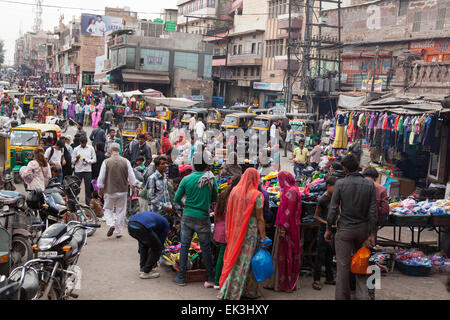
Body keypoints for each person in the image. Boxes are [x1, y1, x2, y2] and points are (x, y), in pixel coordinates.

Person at [325, 154, 377, 300]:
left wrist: (328, 229)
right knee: (362, 264)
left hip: (345, 230)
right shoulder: (369, 185)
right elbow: (373, 211)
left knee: (342, 268)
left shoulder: (340, 184)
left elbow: (333, 209)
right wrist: (372, 234)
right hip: (363, 229)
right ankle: (363, 297)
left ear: (345, 169)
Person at [218, 168, 268, 300]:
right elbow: (260, 218)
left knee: (237, 260)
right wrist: (263, 237)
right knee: (246, 262)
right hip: (250, 233)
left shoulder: (234, 191)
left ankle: (244, 290)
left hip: (236, 230)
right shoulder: (256, 195)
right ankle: (235, 292)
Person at [173, 152, 218, 287]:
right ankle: (210, 278)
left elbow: (176, 199)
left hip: (187, 216)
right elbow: (215, 198)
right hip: (203, 217)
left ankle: (181, 277)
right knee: (206, 248)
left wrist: (186, 205)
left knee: (185, 246)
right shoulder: (211, 179)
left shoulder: (186, 179)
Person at [266, 171, 302, 292]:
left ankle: (282, 283)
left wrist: (282, 229)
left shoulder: (290, 192)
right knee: (284, 254)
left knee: (284, 254)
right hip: (290, 228)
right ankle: (278, 282)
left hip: (286, 229)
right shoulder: (293, 189)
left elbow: (288, 213)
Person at [98, 143, 140, 238]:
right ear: (119, 151)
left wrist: (100, 188)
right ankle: (118, 232)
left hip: (109, 190)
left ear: (111, 151)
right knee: (121, 211)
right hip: (123, 190)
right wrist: (133, 187)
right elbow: (132, 177)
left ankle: (111, 223)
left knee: (108, 208)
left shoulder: (106, 162)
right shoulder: (126, 161)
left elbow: (101, 177)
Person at [213, 176, 241, 289]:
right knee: (224, 255)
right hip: (228, 229)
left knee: (221, 254)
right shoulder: (235, 196)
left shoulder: (223, 194)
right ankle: (218, 281)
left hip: (220, 228)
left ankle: (217, 281)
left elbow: (216, 213)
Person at [128, 211, 170, 279]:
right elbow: (160, 245)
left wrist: (140, 250)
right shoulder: (166, 224)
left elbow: (141, 243)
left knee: (144, 244)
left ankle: (142, 269)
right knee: (157, 248)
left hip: (130, 225)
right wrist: (155, 259)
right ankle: (146, 272)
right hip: (142, 227)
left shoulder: (156, 219)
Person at [313, 176, 337, 291]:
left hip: (333, 230)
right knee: (320, 256)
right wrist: (327, 222)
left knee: (329, 255)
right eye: (334, 187)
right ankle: (316, 280)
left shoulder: (336, 198)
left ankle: (329, 277)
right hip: (323, 230)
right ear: (328, 186)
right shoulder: (322, 199)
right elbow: (316, 216)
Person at [72, 136, 97, 205]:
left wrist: (88, 161)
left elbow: (94, 160)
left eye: (85, 143)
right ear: (80, 142)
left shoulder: (90, 148)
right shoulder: (76, 149)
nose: (83, 145)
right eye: (82, 143)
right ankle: (75, 202)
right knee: (76, 187)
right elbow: (72, 162)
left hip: (87, 170)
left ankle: (88, 203)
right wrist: (76, 159)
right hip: (78, 170)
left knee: (88, 188)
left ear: (86, 142)